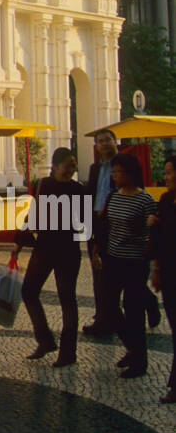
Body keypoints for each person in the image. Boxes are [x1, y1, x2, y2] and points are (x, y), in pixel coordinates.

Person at [10, 147, 83, 368]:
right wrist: (19, 241)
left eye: (73, 165)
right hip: (45, 247)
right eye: (67, 165)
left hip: (68, 249)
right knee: (29, 291)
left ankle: (68, 352)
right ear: (55, 165)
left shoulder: (79, 189)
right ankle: (45, 340)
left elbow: (84, 222)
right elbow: (33, 213)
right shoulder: (44, 184)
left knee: (67, 299)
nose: (71, 169)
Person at [83, 129, 160, 336]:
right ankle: (102, 319)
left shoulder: (125, 163)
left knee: (125, 277)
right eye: (100, 141)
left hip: (123, 226)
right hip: (99, 224)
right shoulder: (94, 168)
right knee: (101, 276)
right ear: (96, 146)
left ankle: (148, 303)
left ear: (115, 141)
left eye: (108, 140)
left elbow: (139, 191)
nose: (104, 144)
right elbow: (91, 194)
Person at [94, 152, 157, 379]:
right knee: (109, 307)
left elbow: (153, 233)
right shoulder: (112, 197)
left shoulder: (145, 200)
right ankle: (132, 346)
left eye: (119, 172)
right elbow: (104, 224)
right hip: (113, 259)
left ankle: (139, 361)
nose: (115, 176)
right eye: (114, 172)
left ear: (130, 174)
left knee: (134, 311)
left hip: (135, 262)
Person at [147, 155, 176, 403]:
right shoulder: (166, 200)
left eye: (169, 172)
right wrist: (156, 269)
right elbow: (158, 237)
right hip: (169, 271)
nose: (165, 177)